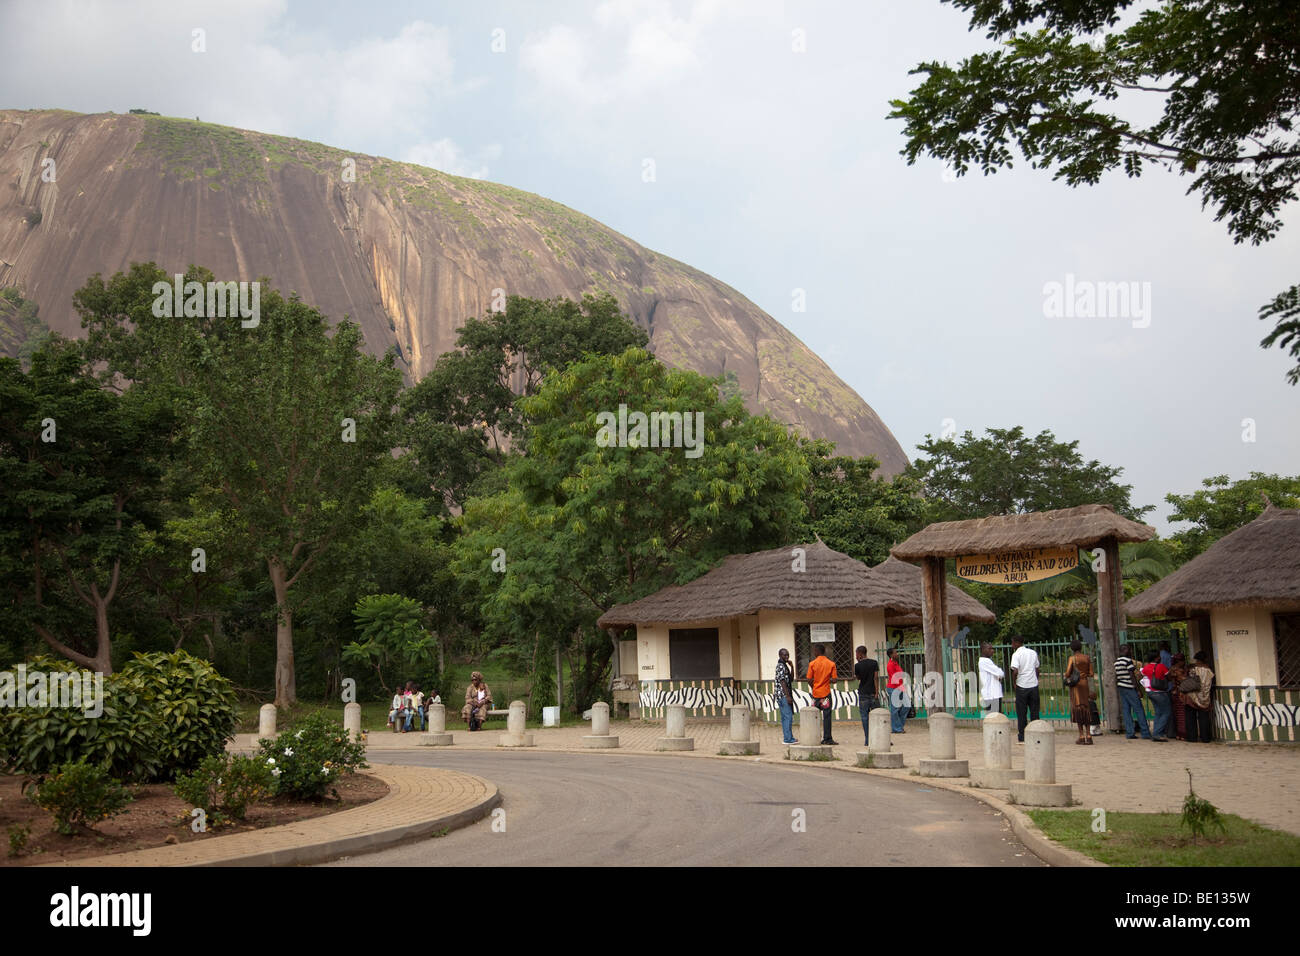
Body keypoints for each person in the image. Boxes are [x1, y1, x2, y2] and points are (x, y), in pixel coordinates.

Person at [1114, 644, 1152, 740]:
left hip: (1121, 687)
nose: (1131, 652)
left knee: (1126, 710)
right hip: (1130, 687)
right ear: (1126, 650)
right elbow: (1132, 676)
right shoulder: (1128, 661)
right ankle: (1145, 732)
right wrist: (1138, 689)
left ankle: (1130, 732)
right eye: (1129, 650)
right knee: (1138, 709)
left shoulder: (1117, 662)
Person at [1009, 636, 1040, 742]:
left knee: (1021, 712)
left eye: (1012, 642)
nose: (1012, 645)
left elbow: (1015, 671)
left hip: (1022, 686)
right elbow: (1037, 669)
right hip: (1033, 686)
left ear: (1016, 643)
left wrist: (1014, 683)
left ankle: (1022, 735)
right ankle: (1036, 734)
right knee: (1034, 711)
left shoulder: (1016, 654)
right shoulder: (1032, 653)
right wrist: (1036, 680)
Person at [806, 644, 838, 745]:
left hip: (815, 695)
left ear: (816, 651)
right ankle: (827, 738)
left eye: (814, 651)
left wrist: (814, 686)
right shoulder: (831, 664)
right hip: (826, 695)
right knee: (827, 716)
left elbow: (809, 679)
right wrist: (827, 680)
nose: (813, 653)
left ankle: (813, 737)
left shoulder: (812, 664)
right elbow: (834, 680)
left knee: (814, 715)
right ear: (824, 651)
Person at [1064, 639, 1093, 744]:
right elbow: (1091, 673)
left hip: (1076, 685)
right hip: (1085, 684)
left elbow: (1067, 673)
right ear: (1080, 647)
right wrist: (1083, 674)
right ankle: (1089, 735)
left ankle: (1081, 736)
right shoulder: (1087, 658)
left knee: (1077, 708)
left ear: (1072, 648)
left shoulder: (1072, 658)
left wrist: (1068, 676)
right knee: (1086, 707)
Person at [1184, 651, 1216, 743]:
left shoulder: (1192, 669)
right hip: (1204, 696)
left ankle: (1192, 737)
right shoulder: (1209, 671)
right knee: (1204, 717)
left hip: (1191, 695)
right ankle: (1205, 737)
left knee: (1190, 717)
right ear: (1205, 659)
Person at [1141, 650, 1171, 742]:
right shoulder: (1161, 666)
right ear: (1157, 658)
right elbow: (1168, 677)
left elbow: (1142, 675)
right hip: (1160, 692)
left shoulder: (1146, 668)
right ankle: (1157, 733)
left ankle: (1157, 732)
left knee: (1158, 712)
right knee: (1166, 712)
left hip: (1150, 692)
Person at [854, 645, 879, 747]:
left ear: (860, 654)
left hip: (863, 693)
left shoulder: (857, 666)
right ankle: (880, 736)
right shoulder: (874, 663)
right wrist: (876, 692)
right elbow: (876, 678)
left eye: (856, 653)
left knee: (865, 717)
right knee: (877, 716)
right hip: (873, 692)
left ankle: (867, 739)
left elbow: (858, 678)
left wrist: (858, 662)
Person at [775, 648, 798, 744]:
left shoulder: (785, 666)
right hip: (783, 695)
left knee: (786, 717)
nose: (787, 657)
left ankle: (789, 737)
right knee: (787, 716)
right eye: (784, 655)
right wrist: (787, 696)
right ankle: (788, 739)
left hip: (784, 695)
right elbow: (782, 681)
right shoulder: (780, 666)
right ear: (780, 655)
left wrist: (792, 667)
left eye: (787, 655)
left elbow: (791, 679)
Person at [886, 646, 908, 734]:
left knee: (906, 706)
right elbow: (895, 679)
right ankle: (897, 728)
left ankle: (899, 726)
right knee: (895, 709)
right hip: (894, 688)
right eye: (895, 653)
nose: (897, 654)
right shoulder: (890, 665)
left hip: (899, 687)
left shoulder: (895, 663)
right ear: (891, 655)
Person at [977, 642, 1004, 715]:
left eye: (992, 648)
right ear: (983, 650)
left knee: (996, 716)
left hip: (994, 694)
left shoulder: (988, 661)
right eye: (989, 649)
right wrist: (999, 674)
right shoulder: (984, 662)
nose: (992, 650)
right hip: (991, 694)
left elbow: (998, 674)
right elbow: (1000, 673)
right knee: (994, 717)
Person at [1169, 653, 1189, 740]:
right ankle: (1182, 733)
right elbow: (1184, 680)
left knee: (1176, 714)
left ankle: (1178, 733)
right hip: (1180, 694)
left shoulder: (1171, 669)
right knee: (1182, 714)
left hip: (1174, 693)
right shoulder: (1180, 670)